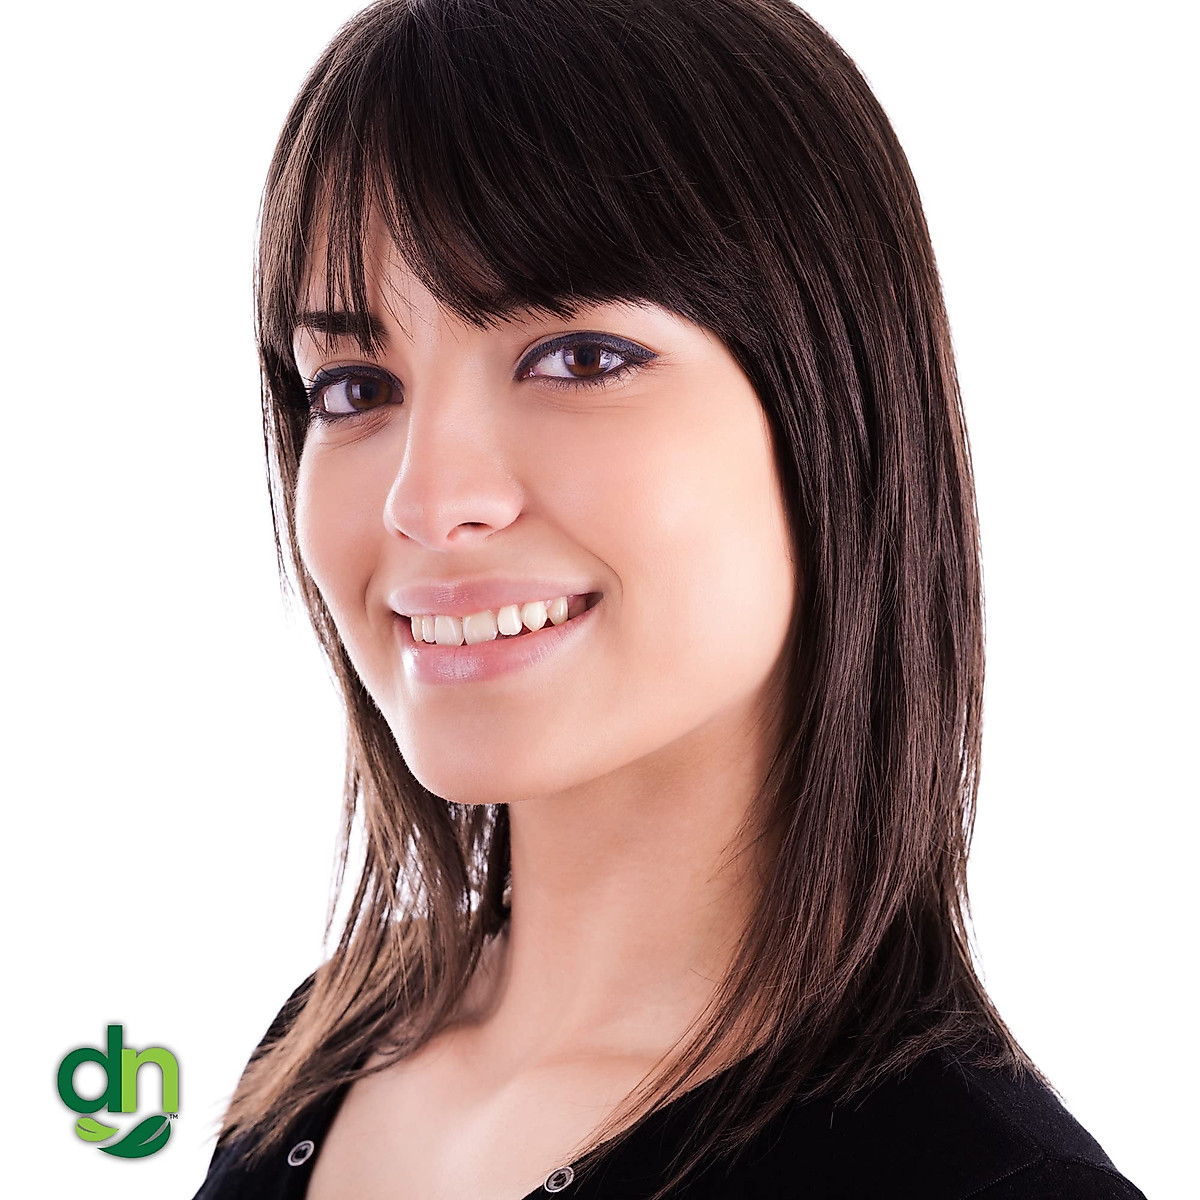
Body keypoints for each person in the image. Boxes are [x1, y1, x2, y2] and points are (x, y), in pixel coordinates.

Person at [192, 0, 1147, 1196]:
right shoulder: (315, 1057)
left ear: (835, 410)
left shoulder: (981, 1181)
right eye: (351, 387)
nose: (426, 501)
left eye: (579, 358)